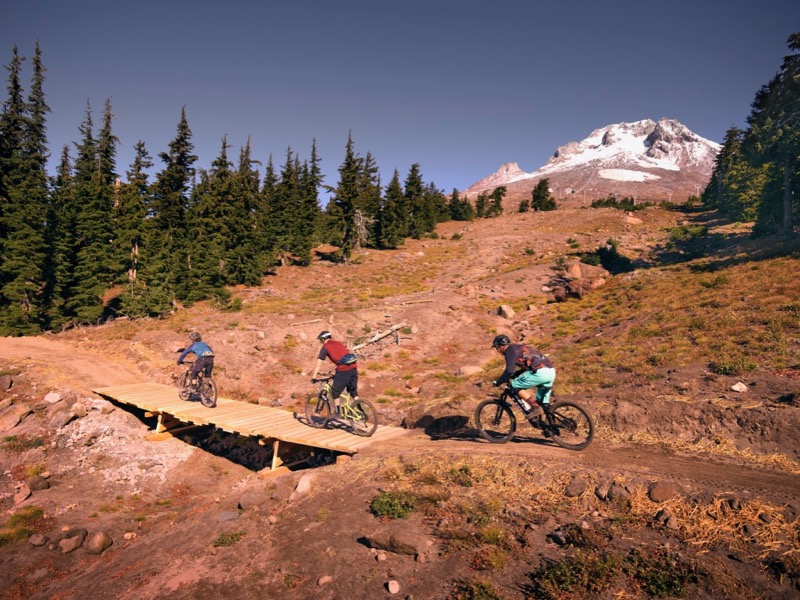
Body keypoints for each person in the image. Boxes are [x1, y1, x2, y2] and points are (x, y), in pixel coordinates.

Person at [491, 334, 555, 415]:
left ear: (501, 346)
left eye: (497, 347)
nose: (497, 350)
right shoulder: (518, 347)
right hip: (551, 371)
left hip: (540, 373)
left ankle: (534, 407)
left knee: (514, 386)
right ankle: (551, 424)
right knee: (544, 404)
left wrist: (499, 381)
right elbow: (527, 364)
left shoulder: (509, 350)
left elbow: (509, 370)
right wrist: (517, 373)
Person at [310, 331, 358, 413]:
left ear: (323, 339)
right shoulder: (338, 343)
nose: (321, 341)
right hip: (353, 368)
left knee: (335, 391)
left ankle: (337, 412)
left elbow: (318, 363)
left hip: (343, 370)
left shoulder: (326, 347)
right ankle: (361, 409)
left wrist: (314, 377)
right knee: (353, 391)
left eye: (321, 340)